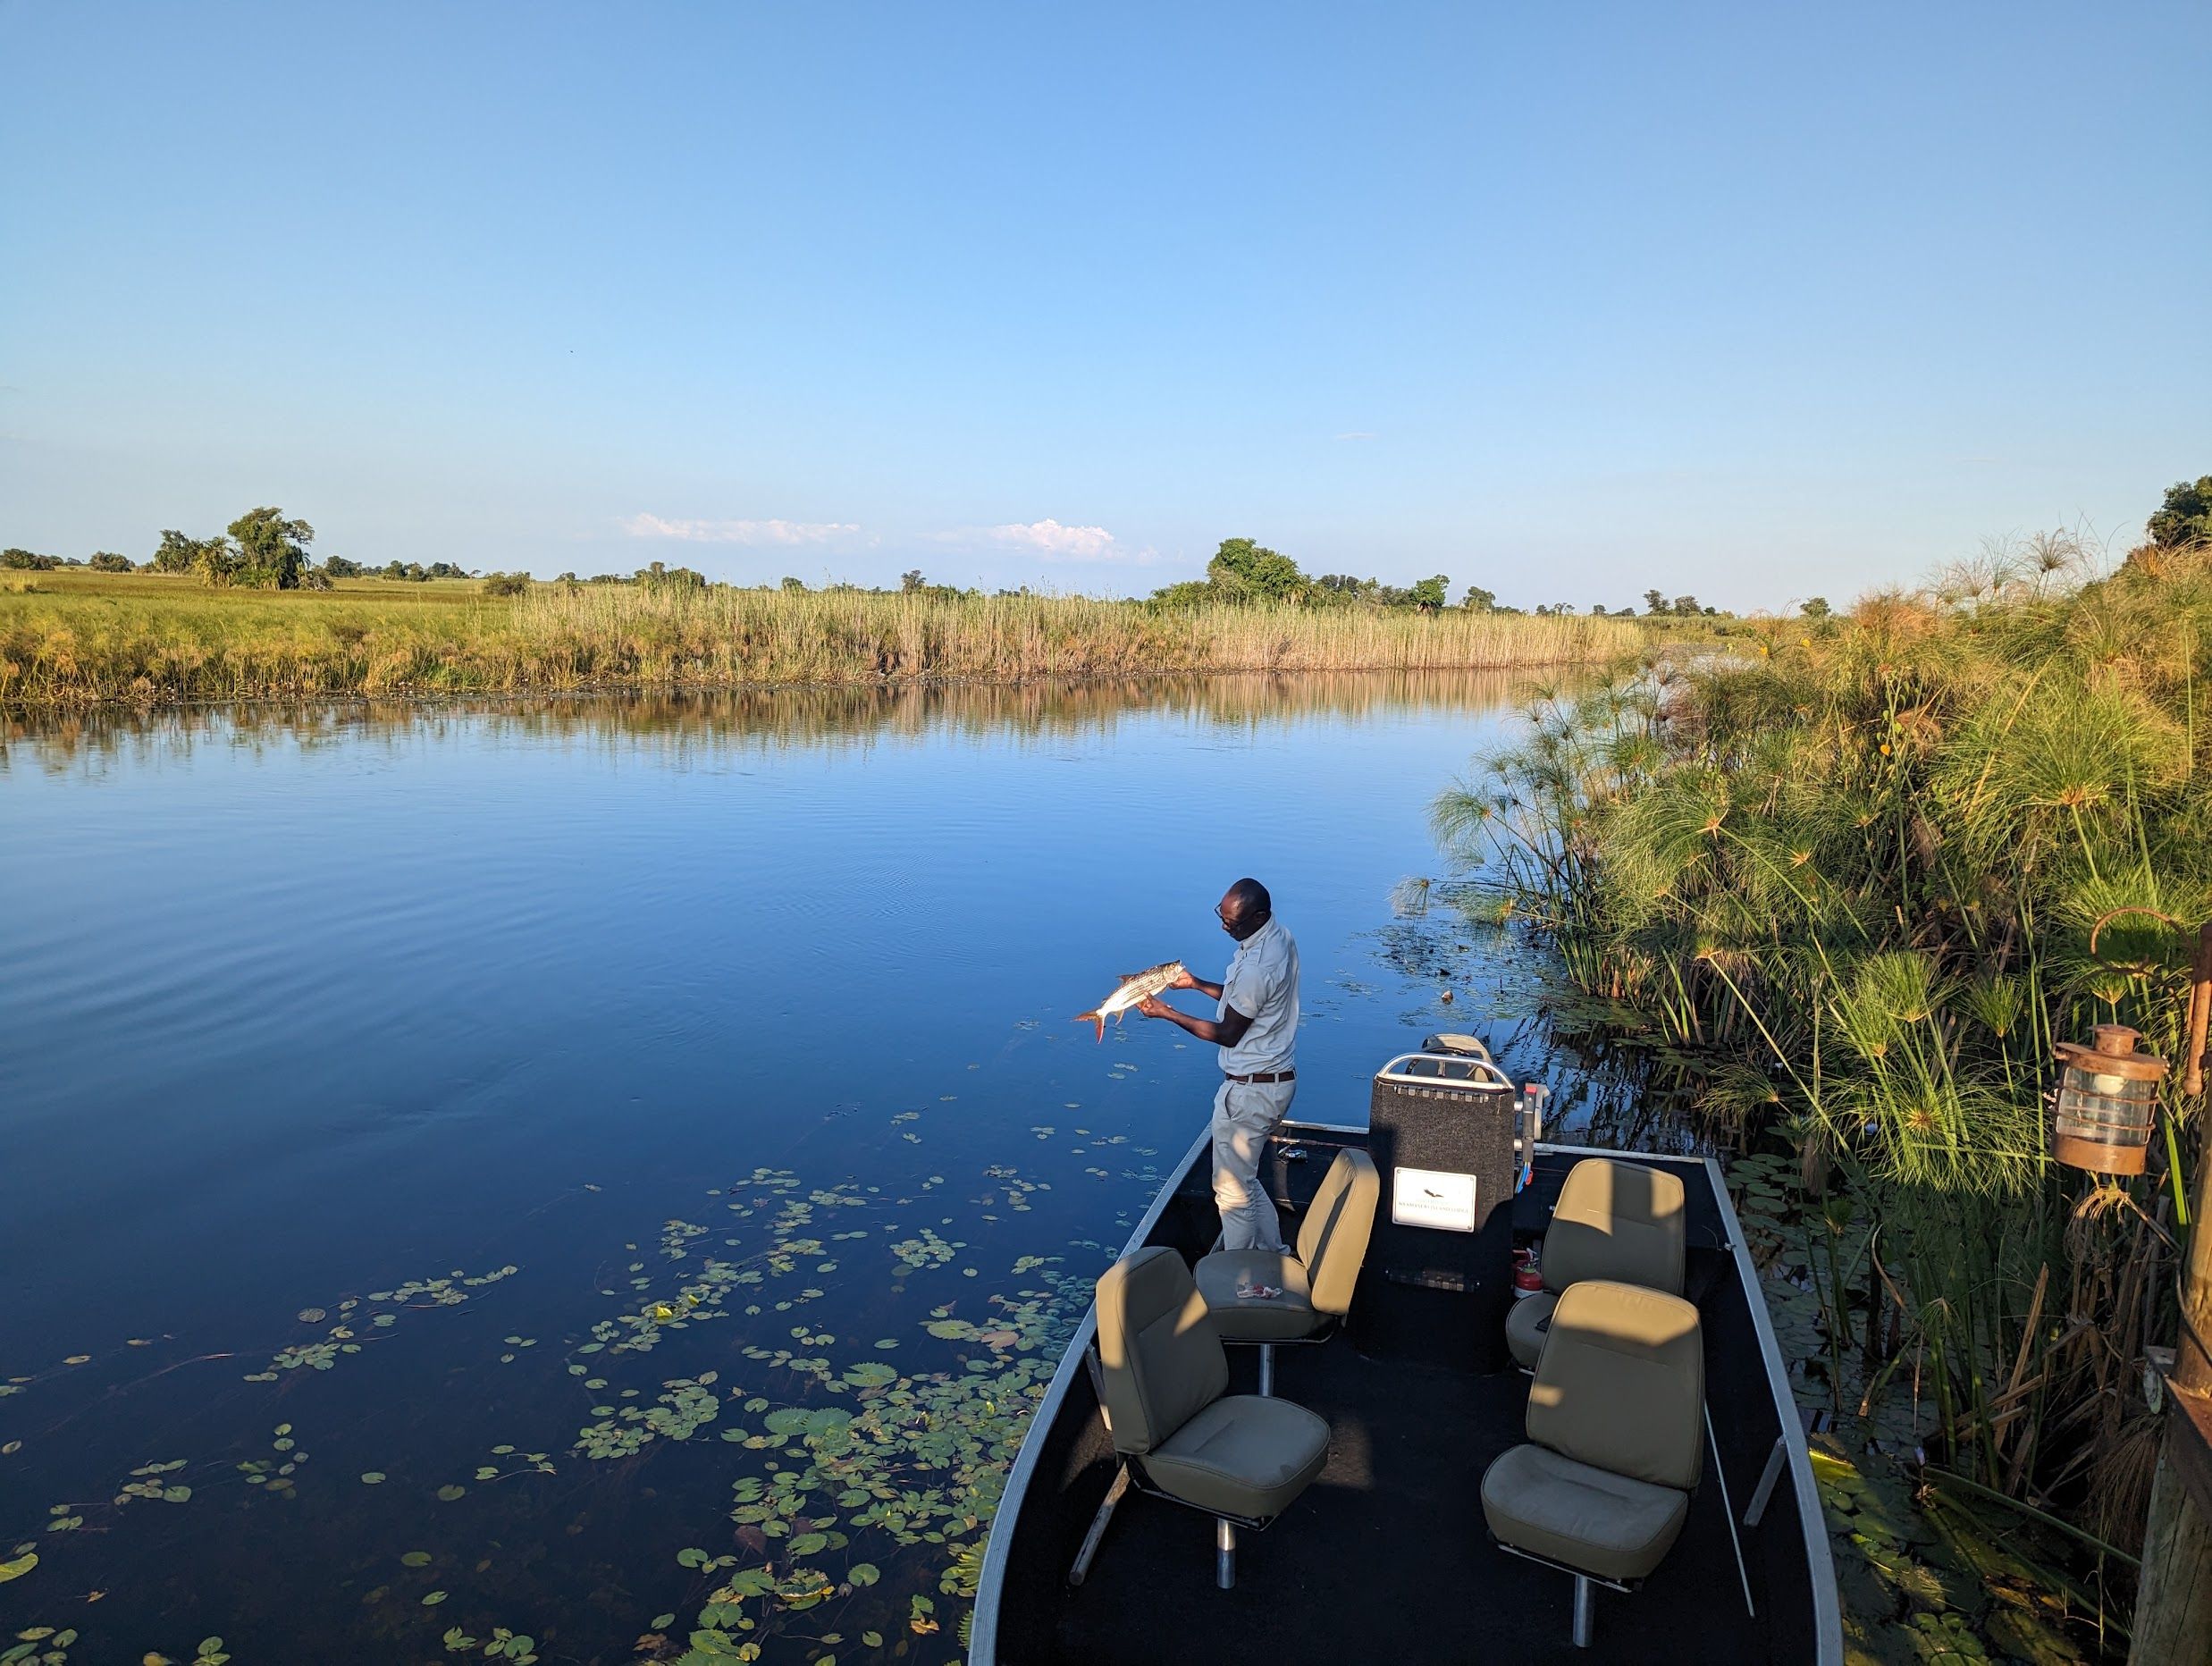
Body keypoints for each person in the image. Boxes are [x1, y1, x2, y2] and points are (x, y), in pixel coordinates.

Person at [1137, 878, 1299, 1252]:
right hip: (1276, 1081)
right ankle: (1273, 1254)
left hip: (1250, 1092)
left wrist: (1166, 1012)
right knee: (1245, 1179)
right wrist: (1195, 984)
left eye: (1233, 923)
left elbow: (1228, 1032)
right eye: (1221, 918)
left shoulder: (1259, 965)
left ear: (1259, 916)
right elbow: (1244, 1001)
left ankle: (1239, 1279)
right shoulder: (1278, 937)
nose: (1225, 927)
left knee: (1230, 1191)